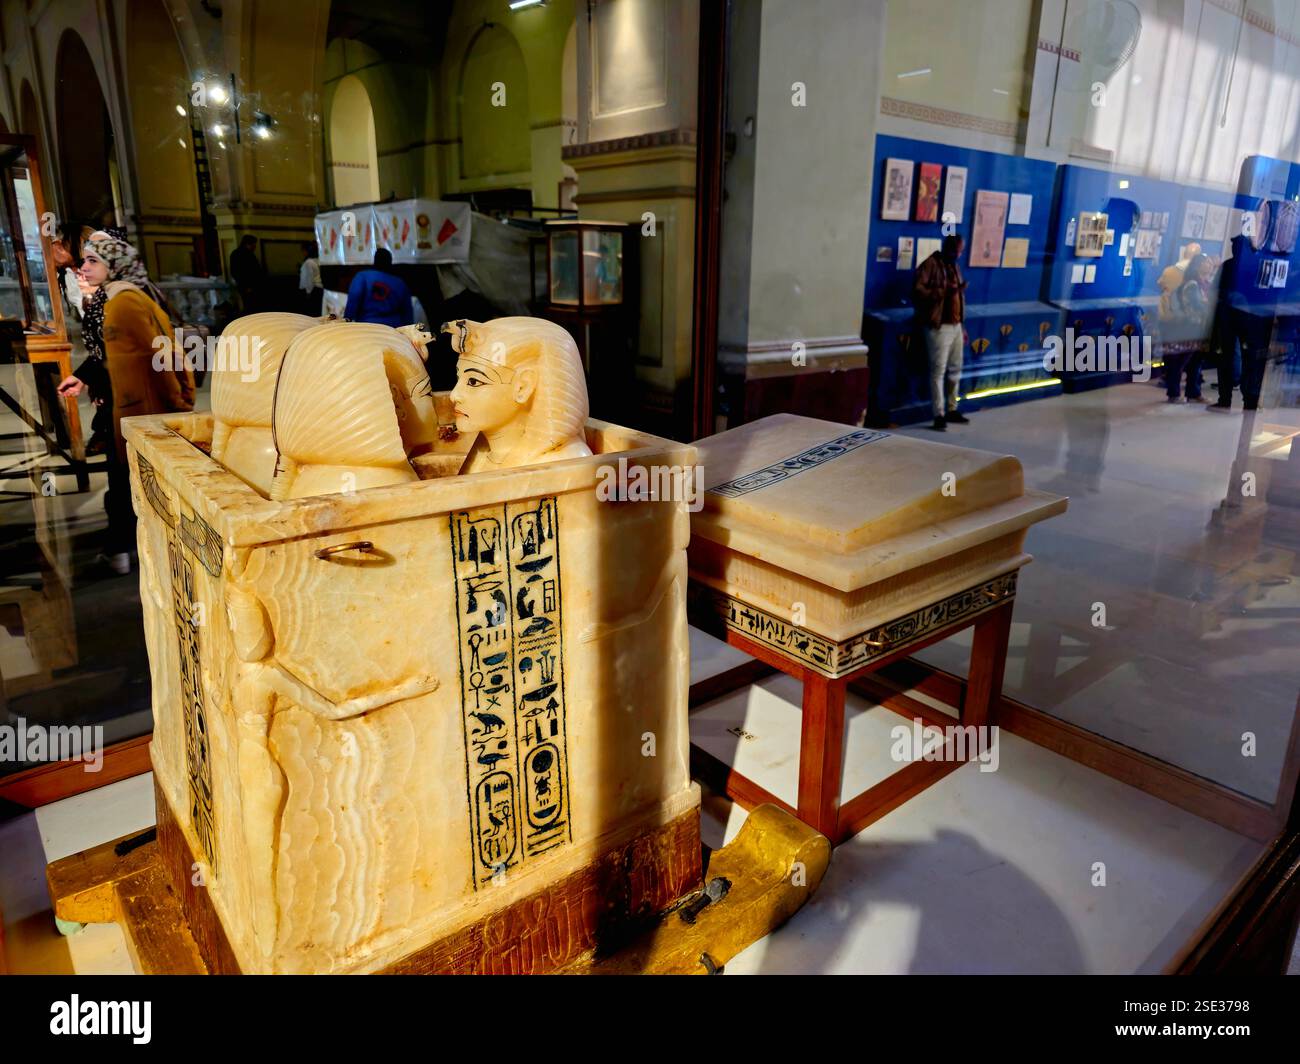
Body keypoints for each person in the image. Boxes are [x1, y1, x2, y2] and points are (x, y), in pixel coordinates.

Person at [64, 236, 194, 574]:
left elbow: (160, 354)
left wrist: (178, 400)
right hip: (137, 404)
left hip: (142, 407)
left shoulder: (124, 302)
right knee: (132, 481)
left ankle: (143, 552)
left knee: (136, 481)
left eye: (93, 261)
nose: (84, 267)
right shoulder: (122, 298)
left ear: (114, 265)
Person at [913, 234, 970, 431]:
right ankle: (939, 414)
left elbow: (958, 299)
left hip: (955, 326)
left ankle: (953, 408)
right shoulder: (930, 264)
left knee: (956, 369)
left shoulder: (954, 267)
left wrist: (962, 326)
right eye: (957, 250)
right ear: (949, 249)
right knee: (938, 371)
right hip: (938, 326)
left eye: (961, 251)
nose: (959, 254)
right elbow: (917, 290)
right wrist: (943, 292)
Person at [1209, 237, 1268, 412]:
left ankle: (1226, 399)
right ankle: (1249, 400)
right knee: (1248, 360)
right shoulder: (1256, 265)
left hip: (1230, 317)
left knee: (1228, 358)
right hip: (1248, 319)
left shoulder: (1227, 265)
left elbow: (1215, 291)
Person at [1164, 253, 1215, 403]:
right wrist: (1210, 306)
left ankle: (1193, 392)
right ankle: (1173, 394)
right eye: (1207, 261)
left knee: (1196, 362)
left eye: (1210, 261)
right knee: (1179, 362)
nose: (1210, 264)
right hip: (1188, 327)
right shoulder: (1192, 284)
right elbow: (1197, 305)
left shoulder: (1206, 283)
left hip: (1199, 327)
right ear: (1198, 265)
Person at [344, 248, 413, 327]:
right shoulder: (400, 283)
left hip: (366, 326)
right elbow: (408, 314)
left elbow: (354, 298)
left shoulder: (362, 276)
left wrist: (346, 321)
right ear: (390, 262)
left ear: (375, 261)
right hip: (393, 330)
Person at [1156, 241, 1201, 325]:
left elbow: (1160, 284)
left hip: (1166, 316)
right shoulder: (1197, 275)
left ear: (1184, 254)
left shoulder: (1168, 271)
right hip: (1185, 320)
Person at [230, 234, 266, 313]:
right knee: (251, 308)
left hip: (246, 286)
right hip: (249, 287)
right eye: (254, 244)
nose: (255, 246)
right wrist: (247, 286)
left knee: (249, 306)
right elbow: (241, 272)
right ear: (248, 244)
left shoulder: (236, 253)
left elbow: (234, 271)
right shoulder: (245, 254)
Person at [299, 241, 323, 316]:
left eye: (303, 251)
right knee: (317, 311)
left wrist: (308, 292)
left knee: (311, 312)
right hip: (320, 289)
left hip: (313, 290)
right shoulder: (319, 260)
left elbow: (309, 279)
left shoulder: (309, 262)